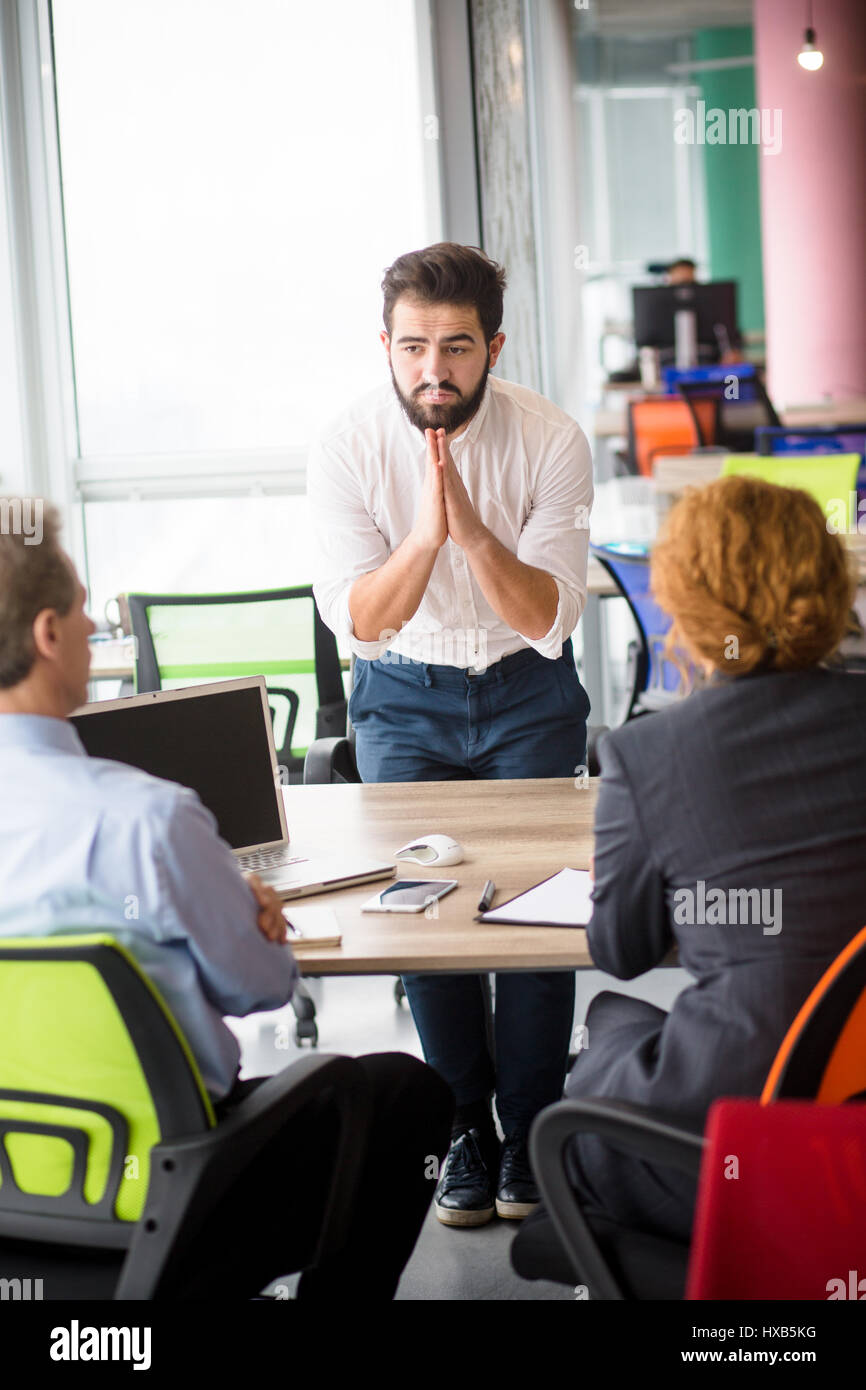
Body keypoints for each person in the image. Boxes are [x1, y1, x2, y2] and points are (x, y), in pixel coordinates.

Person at [0, 502, 453, 1299]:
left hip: (15, 1196)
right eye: (80, 612)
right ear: (45, 635)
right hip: (178, 1198)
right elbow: (263, 987)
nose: (88, 629)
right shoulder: (147, 818)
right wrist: (256, 919)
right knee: (407, 1095)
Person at [309, 242, 593, 1227]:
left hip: (527, 692)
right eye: (414, 345)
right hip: (401, 694)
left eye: (457, 346)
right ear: (384, 344)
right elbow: (362, 619)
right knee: (423, 918)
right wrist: (424, 538)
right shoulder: (345, 446)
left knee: (537, 917)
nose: (434, 369)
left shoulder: (549, 438)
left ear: (492, 346)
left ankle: (530, 1128)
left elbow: (548, 617)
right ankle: (461, 1126)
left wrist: (471, 531)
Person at [552, 475, 866, 1250]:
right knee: (615, 1027)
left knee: (600, 1030)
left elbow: (619, 950)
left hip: (745, 1127)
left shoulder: (647, 753)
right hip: (850, 1102)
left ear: (686, 612)